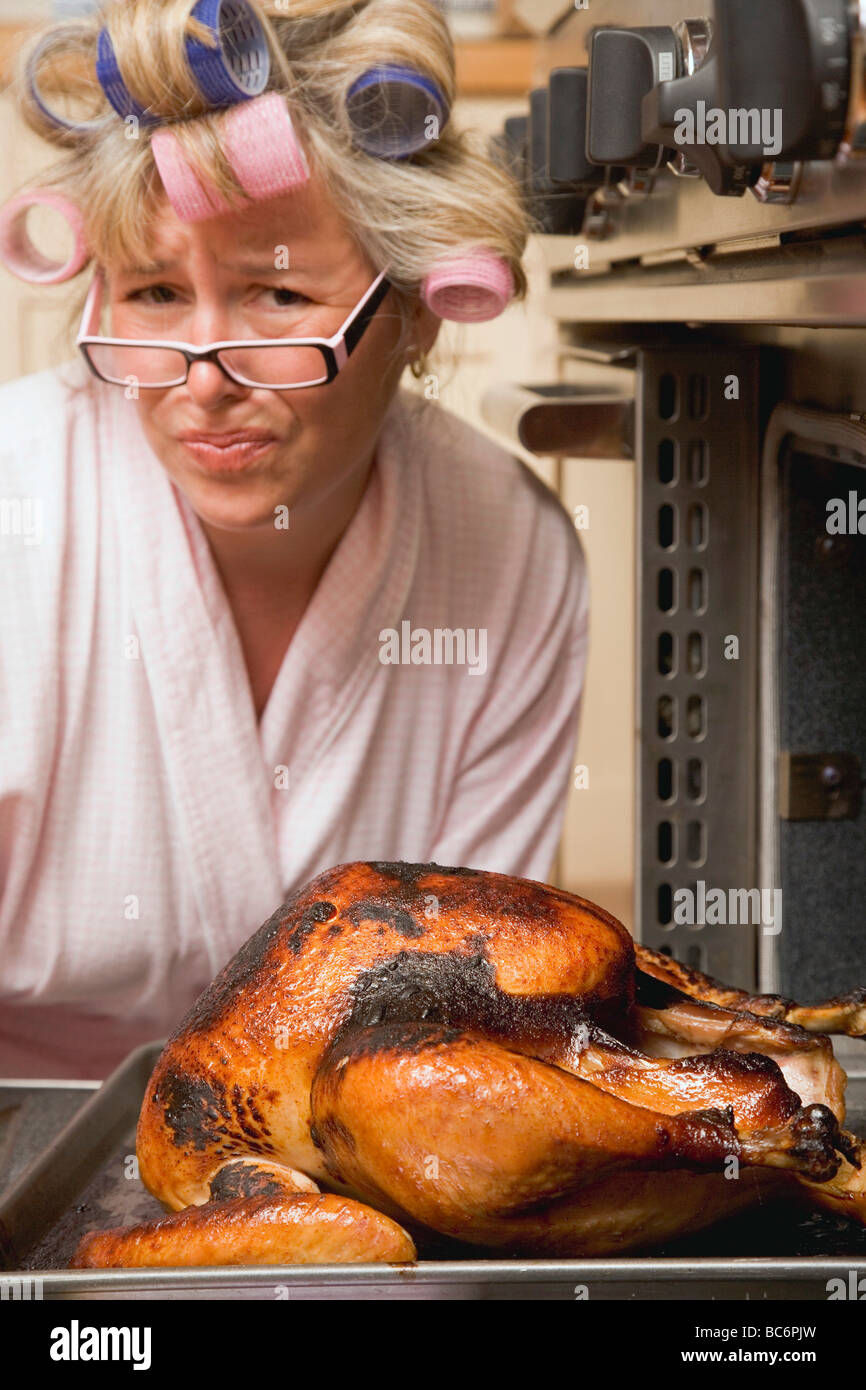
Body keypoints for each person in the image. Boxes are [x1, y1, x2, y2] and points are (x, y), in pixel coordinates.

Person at [0, 0, 589, 1079]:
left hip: (355, 1143)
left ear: (414, 308)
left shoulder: (511, 549)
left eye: (275, 294)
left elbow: (472, 1011)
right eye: (156, 293)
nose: (203, 375)